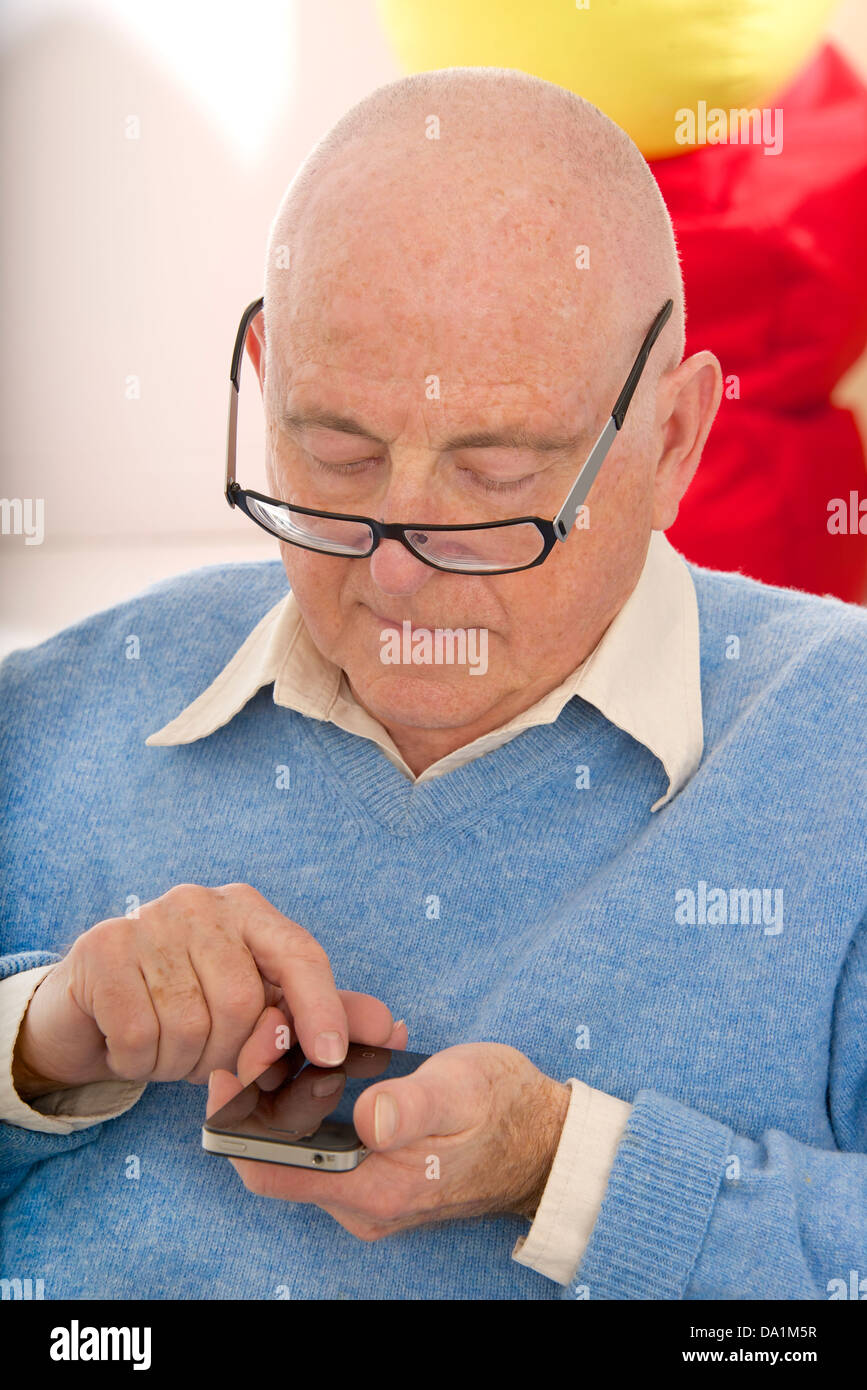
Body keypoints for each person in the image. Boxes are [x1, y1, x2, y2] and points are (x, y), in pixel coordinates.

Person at [1, 68, 864, 1301]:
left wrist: (564, 1170)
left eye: (494, 474)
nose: (398, 574)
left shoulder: (841, 746)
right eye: (336, 453)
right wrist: (39, 1048)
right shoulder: (56, 706)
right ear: (262, 378)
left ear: (674, 440)